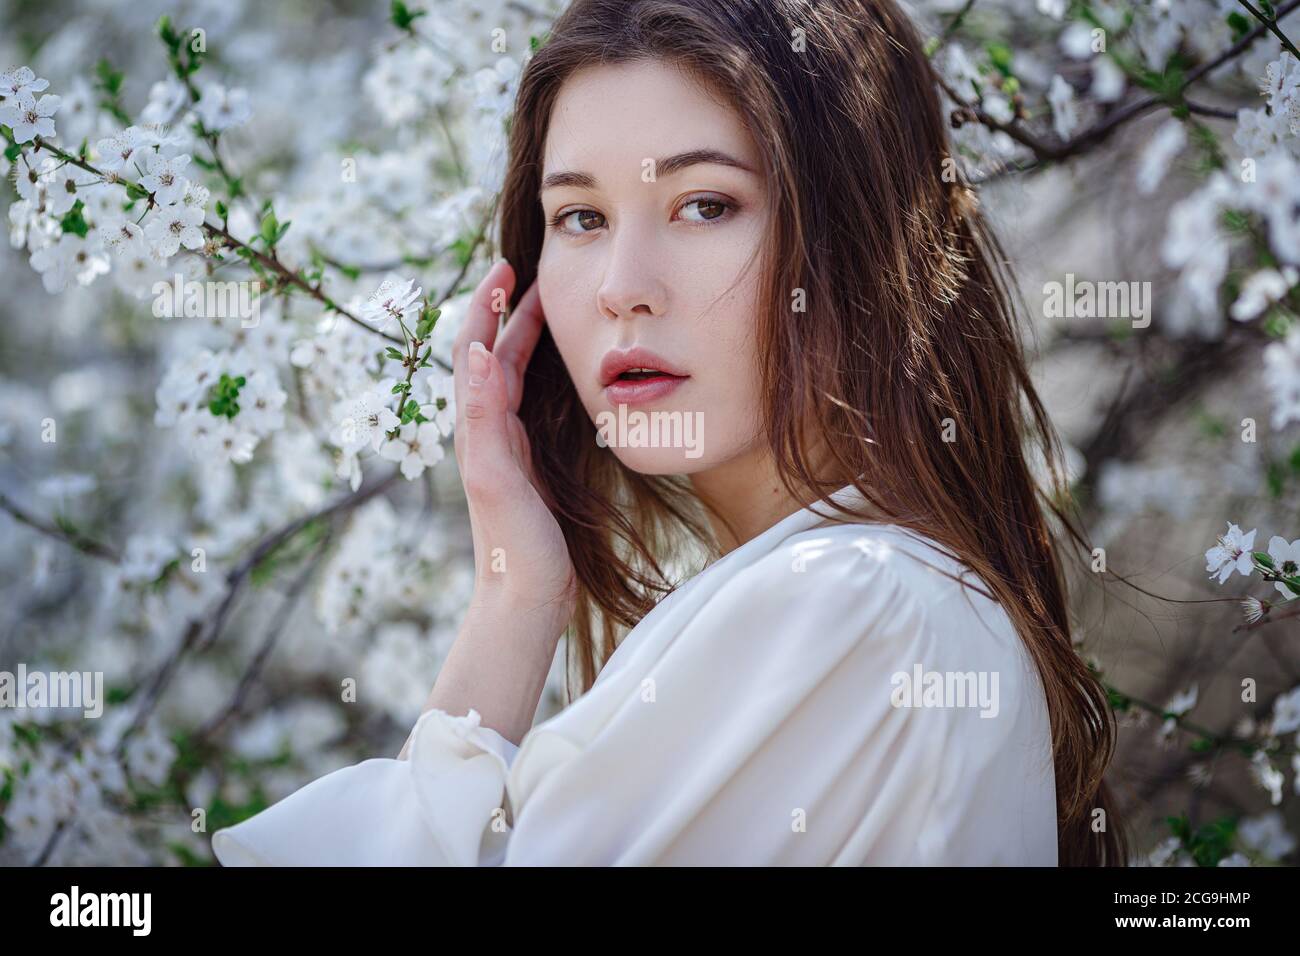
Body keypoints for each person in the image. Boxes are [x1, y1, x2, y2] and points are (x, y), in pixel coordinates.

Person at [212, 0, 1126, 866]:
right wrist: (517, 591)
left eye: (705, 204)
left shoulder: (855, 604)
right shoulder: (890, 599)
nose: (622, 284)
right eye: (580, 217)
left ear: (858, 233)